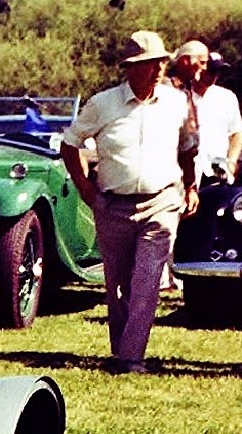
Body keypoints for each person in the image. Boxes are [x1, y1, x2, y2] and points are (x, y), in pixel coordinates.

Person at [61, 30, 199, 374]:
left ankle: (131, 357)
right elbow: (70, 144)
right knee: (118, 284)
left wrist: (191, 187)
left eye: (159, 63)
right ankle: (122, 349)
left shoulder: (176, 103)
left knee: (147, 281)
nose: (156, 71)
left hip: (162, 202)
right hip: (113, 206)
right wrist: (85, 190)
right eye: (148, 64)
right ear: (130, 69)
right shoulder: (102, 104)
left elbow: (188, 149)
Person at [171, 39, 242, 183]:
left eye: (219, 72)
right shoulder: (181, 96)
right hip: (189, 172)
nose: (214, 76)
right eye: (211, 70)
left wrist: (232, 162)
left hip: (218, 170)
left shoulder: (227, 97)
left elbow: (237, 133)